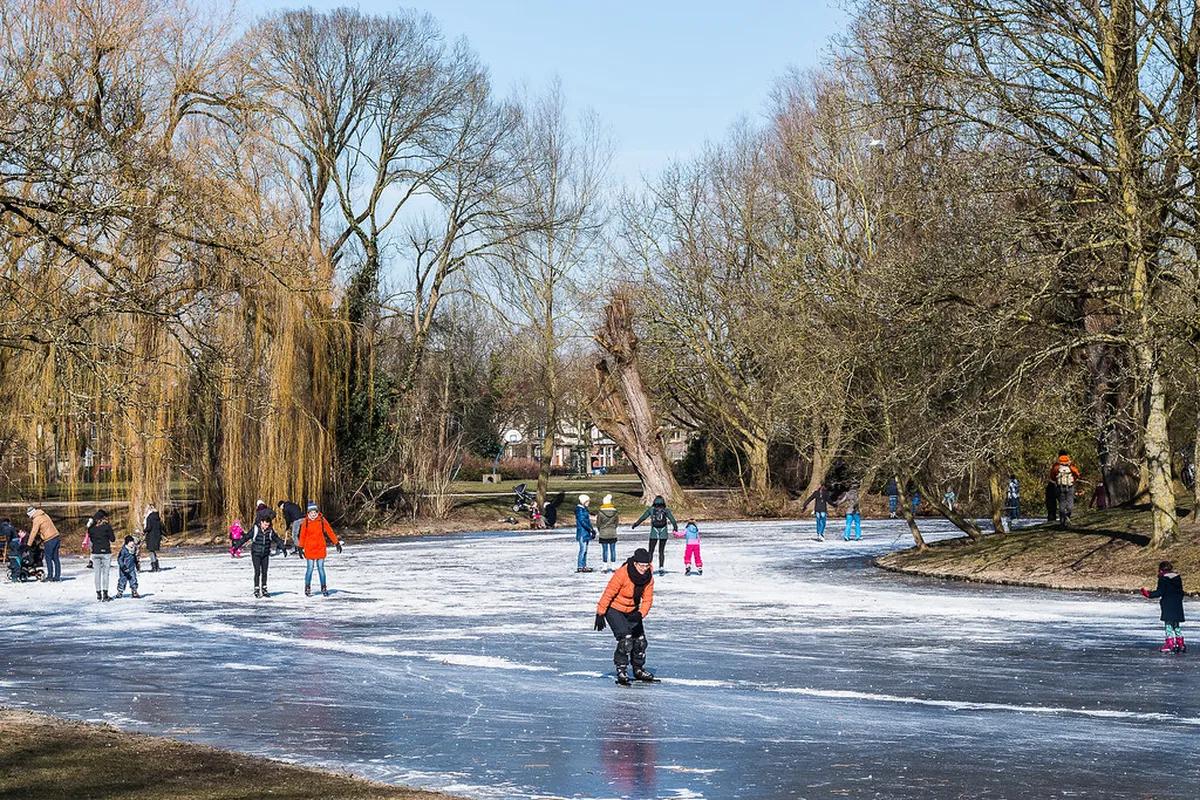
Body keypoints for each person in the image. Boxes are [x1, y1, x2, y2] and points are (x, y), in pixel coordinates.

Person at [594, 548, 656, 686]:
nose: (644, 569)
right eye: (642, 565)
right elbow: (609, 592)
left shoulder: (648, 577)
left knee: (640, 641)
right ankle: (621, 670)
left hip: (632, 610)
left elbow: (647, 599)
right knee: (626, 639)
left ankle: (638, 669)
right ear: (635, 563)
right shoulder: (623, 573)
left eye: (647, 565)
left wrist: (640, 614)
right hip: (614, 609)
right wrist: (600, 612)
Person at [297, 501, 342, 597]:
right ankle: (307, 587)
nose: (313, 515)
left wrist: (336, 542)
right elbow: (302, 535)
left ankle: (323, 587)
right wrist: (300, 547)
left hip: (320, 548)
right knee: (310, 568)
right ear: (308, 513)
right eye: (311, 513)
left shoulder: (322, 520)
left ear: (317, 512)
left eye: (315, 512)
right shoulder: (306, 522)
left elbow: (329, 531)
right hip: (309, 548)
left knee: (321, 568)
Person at [1141, 561, 1185, 654]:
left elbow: (1160, 592)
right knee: (1176, 625)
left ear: (1161, 570)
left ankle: (1170, 644)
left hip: (1168, 605)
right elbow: (1181, 592)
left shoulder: (1163, 579)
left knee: (1168, 625)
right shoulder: (1177, 578)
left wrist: (1148, 594)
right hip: (1177, 604)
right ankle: (1180, 644)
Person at [631, 495, 678, 575]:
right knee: (661, 551)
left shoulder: (651, 510)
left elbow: (643, 518)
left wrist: (635, 524)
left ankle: (648, 566)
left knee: (651, 551)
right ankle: (661, 567)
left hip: (654, 532)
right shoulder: (666, 510)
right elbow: (673, 520)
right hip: (663, 532)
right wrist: (675, 528)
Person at [247, 516, 282, 598]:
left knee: (265, 572)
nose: (266, 526)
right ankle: (256, 589)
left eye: (268, 525)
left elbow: (277, 539)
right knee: (257, 571)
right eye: (265, 525)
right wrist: (236, 546)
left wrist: (283, 548)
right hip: (256, 554)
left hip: (265, 554)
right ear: (261, 522)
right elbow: (246, 537)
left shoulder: (270, 531)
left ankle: (264, 589)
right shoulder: (255, 529)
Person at [26, 506, 61, 582]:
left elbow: (34, 532)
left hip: (49, 539)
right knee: (55, 558)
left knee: (48, 558)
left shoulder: (37, 519)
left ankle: (50, 576)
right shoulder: (44, 514)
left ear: (31, 514)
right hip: (56, 537)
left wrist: (28, 544)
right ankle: (57, 576)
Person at [87, 510, 116, 601]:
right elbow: (113, 539)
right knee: (105, 574)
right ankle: (105, 594)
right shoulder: (107, 527)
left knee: (97, 574)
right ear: (102, 518)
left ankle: (98, 594)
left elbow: (91, 538)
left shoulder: (91, 529)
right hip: (106, 553)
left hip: (95, 553)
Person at [1048, 451, 1081, 528]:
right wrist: (1073, 479)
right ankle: (1068, 516)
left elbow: (1052, 476)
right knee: (1070, 504)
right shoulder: (1070, 465)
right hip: (1070, 486)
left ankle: (1062, 522)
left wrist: (1056, 480)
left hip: (1060, 487)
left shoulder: (1056, 465)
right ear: (1067, 455)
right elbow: (1077, 473)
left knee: (1061, 505)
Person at [596, 495, 620, 573]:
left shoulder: (600, 512)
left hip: (603, 533)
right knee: (613, 550)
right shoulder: (615, 512)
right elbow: (616, 522)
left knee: (605, 550)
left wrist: (600, 530)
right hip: (612, 532)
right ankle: (613, 566)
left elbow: (598, 523)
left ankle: (605, 566)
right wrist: (613, 528)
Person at [574, 494, 597, 573]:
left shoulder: (584, 509)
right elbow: (582, 521)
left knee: (585, 550)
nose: (588, 503)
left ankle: (584, 565)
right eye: (587, 501)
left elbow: (587, 521)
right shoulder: (580, 510)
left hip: (586, 532)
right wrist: (590, 529)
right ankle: (580, 566)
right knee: (582, 550)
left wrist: (592, 529)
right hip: (582, 533)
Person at [143, 504, 164, 572]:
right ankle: (156, 566)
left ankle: (154, 567)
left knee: (151, 551)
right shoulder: (157, 517)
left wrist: (144, 530)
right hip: (156, 536)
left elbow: (149, 527)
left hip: (151, 536)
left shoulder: (149, 517)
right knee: (153, 551)